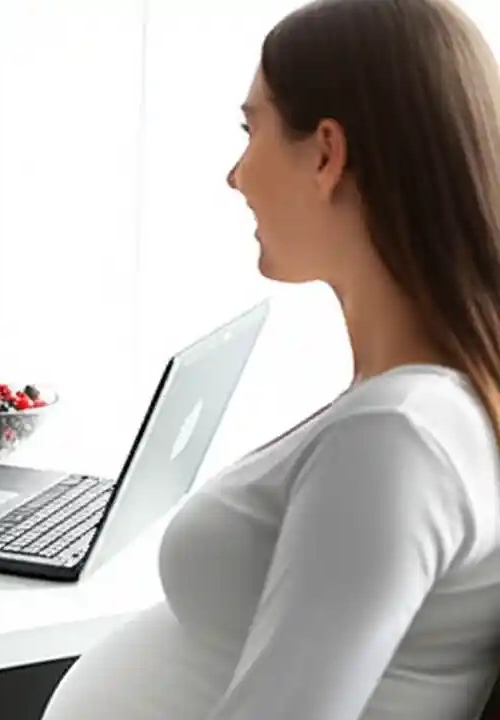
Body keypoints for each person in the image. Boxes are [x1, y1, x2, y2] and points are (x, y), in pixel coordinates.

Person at [41, 1, 500, 718]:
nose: (236, 175)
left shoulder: (397, 439)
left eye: (249, 129)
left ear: (325, 153)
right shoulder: (418, 410)